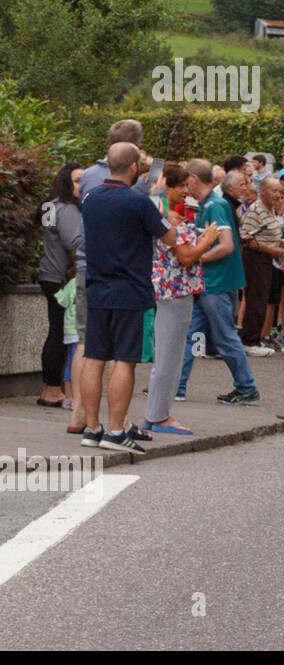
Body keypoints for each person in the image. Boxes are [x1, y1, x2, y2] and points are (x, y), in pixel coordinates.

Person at [79, 143, 177, 454]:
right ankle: (116, 430)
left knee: (94, 357)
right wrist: (158, 198)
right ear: (134, 167)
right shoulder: (140, 203)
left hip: (96, 288)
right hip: (130, 290)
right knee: (125, 360)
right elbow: (170, 238)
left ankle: (92, 427)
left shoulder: (90, 198)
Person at [173, 160, 260, 405]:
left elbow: (227, 246)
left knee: (224, 337)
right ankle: (176, 386)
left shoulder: (215, 205)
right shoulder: (208, 204)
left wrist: (195, 259)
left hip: (217, 282)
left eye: (185, 180)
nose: (183, 185)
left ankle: (247, 387)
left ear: (193, 179)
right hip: (210, 282)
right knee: (190, 335)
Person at [143, 164, 219, 435]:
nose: (187, 191)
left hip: (174, 292)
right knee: (168, 357)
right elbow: (185, 256)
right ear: (170, 187)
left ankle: (157, 413)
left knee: (171, 356)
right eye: (182, 186)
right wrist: (208, 239)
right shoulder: (167, 216)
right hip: (174, 292)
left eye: (189, 185)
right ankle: (157, 416)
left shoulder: (167, 213)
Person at [38, 163, 83, 409]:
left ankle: (49, 388)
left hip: (49, 273)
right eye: (77, 181)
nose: (82, 185)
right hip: (61, 280)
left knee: (55, 333)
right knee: (61, 336)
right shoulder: (66, 209)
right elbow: (76, 242)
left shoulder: (50, 204)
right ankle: (53, 391)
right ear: (67, 182)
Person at [239, 177, 284, 353]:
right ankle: (249, 341)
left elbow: (267, 233)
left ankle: (255, 338)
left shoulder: (272, 210)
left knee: (263, 299)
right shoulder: (256, 210)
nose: (278, 195)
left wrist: (280, 243)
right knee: (256, 300)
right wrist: (271, 250)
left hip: (268, 260)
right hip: (256, 259)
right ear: (263, 192)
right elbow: (247, 238)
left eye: (280, 192)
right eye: (274, 191)